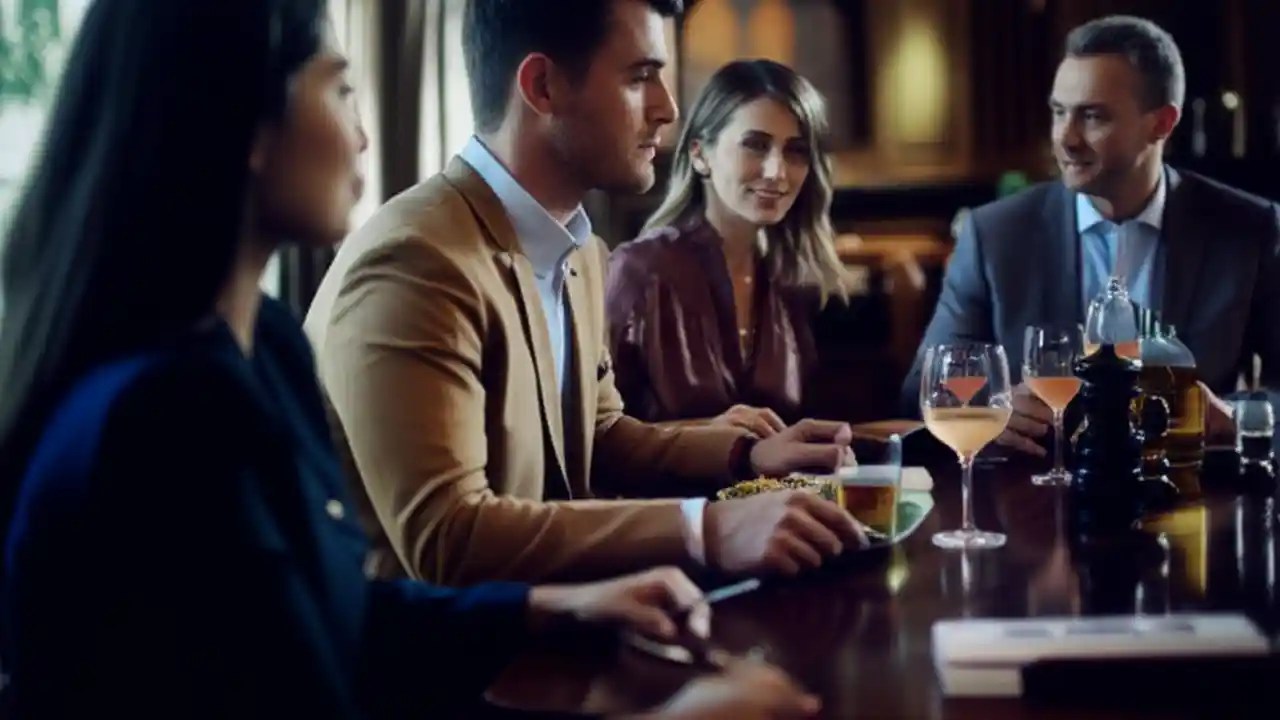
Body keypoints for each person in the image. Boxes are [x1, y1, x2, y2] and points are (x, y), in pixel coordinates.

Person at [0, 1, 821, 717]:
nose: (362, 131)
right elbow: (413, 572)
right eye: (341, 88)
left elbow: (343, 615)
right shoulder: (172, 413)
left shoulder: (265, 351)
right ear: (244, 122)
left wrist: (555, 609)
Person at [305, 0, 867, 588]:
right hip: (435, 666)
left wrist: (743, 455)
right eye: (641, 77)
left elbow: (600, 434)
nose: (668, 110)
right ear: (543, 87)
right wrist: (709, 529)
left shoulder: (580, 252)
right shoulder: (418, 261)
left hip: (552, 624)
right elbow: (450, 539)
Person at [902, 15, 1280, 455]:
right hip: (1035, 499)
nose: (1066, 138)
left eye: (1092, 116)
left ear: (1162, 123)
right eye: (1059, 112)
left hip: (1189, 498)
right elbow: (922, 390)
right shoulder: (996, 234)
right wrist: (992, 407)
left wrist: (1236, 418)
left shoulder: (1248, 229)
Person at [605, 59, 851, 437]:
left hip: (775, 495)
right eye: (756, 145)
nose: (777, 172)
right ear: (700, 154)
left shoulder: (791, 282)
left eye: (796, 151)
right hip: (666, 497)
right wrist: (707, 434)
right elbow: (591, 437)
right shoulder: (640, 270)